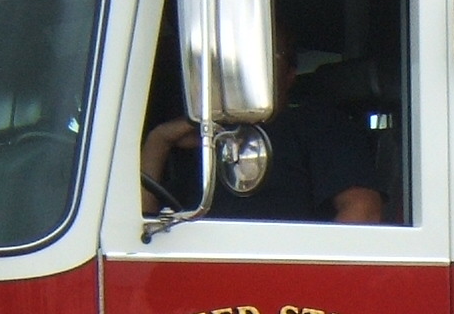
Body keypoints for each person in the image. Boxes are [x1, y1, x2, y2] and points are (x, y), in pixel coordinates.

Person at [141, 29, 385, 223]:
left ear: (290, 74)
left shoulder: (319, 125)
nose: (246, 64)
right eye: (237, 54)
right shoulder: (202, 136)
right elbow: (141, 228)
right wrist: (159, 141)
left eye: (264, 54)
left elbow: (363, 212)